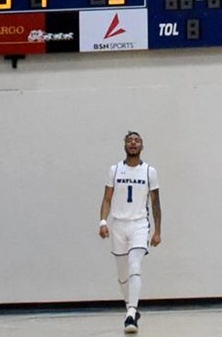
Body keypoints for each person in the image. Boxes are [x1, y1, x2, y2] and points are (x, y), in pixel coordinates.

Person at [98, 132, 161, 335]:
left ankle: (131, 313)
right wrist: (103, 221)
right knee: (122, 274)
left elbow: (155, 202)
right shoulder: (115, 170)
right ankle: (130, 307)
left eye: (137, 140)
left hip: (139, 225)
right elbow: (107, 198)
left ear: (142, 145)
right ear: (124, 145)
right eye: (129, 140)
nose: (133, 143)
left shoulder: (149, 171)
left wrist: (157, 231)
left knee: (135, 265)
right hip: (118, 225)